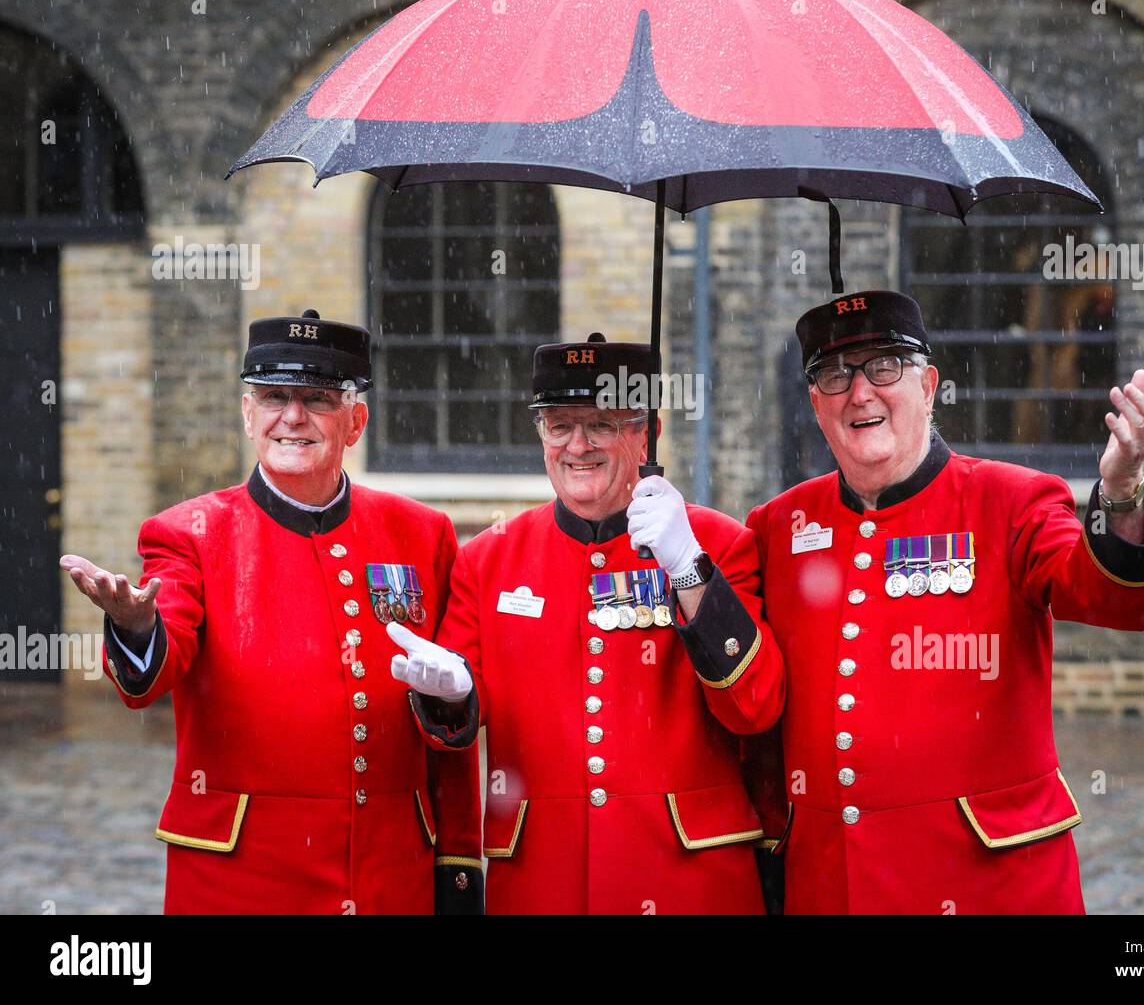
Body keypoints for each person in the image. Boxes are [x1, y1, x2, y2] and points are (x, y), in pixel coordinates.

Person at [744, 290, 1144, 914]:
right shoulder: (777, 527)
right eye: (835, 376)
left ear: (929, 386)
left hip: (987, 883)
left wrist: (1123, 489)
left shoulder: (1011, 501)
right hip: (833, 883)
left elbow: (1111, 597)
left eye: (884, 367)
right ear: (816, 404)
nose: (859, 393)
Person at [60, 309, 481, 914]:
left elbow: (453, 730)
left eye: (317, 399)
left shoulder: (421, 533)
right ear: (247, 413)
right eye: (274, 397)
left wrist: (459, 867)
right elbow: (163, 651)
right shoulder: (189, 532)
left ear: (356, 420)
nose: (293, 417)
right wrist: (136, 625)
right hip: (241, 881)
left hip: (390, 877)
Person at [389, 334, 785, 914]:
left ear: (645, 431)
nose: (578, 445)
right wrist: (451, 700)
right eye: (558, 424)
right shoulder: (489, 559)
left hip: (690, 881)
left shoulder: (718, 543)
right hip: (541, 885)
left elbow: (756, 706)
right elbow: (450, 723)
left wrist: (687, 566)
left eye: (601, 423)